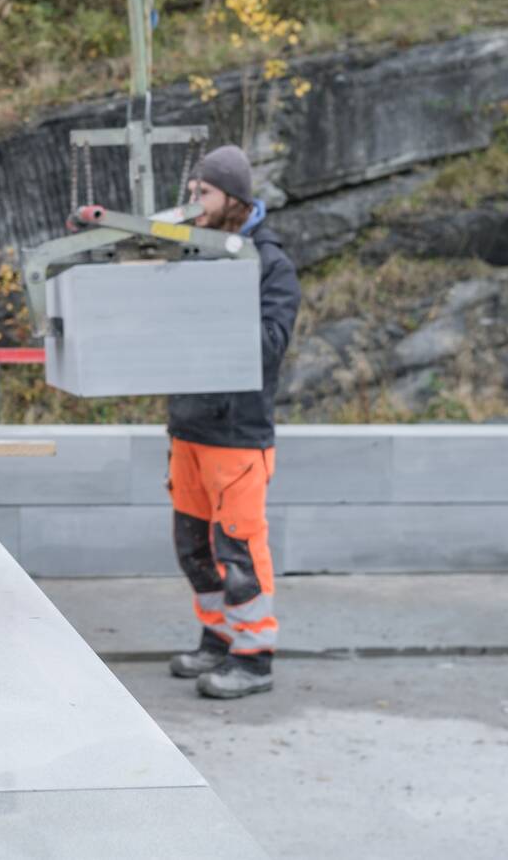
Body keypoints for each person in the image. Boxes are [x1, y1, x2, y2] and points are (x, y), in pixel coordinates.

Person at [165, 144, 301, 700]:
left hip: (237, 435)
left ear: (234, 199)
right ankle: (218, 638)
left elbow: (269, 345)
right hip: (189, 429)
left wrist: (208, 314)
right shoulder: (196, 253)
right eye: (192, 192)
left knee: (238, 550)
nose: (193, 203)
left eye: (204, 193)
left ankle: (254, 657)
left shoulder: (270, 263)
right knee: (194, 548)